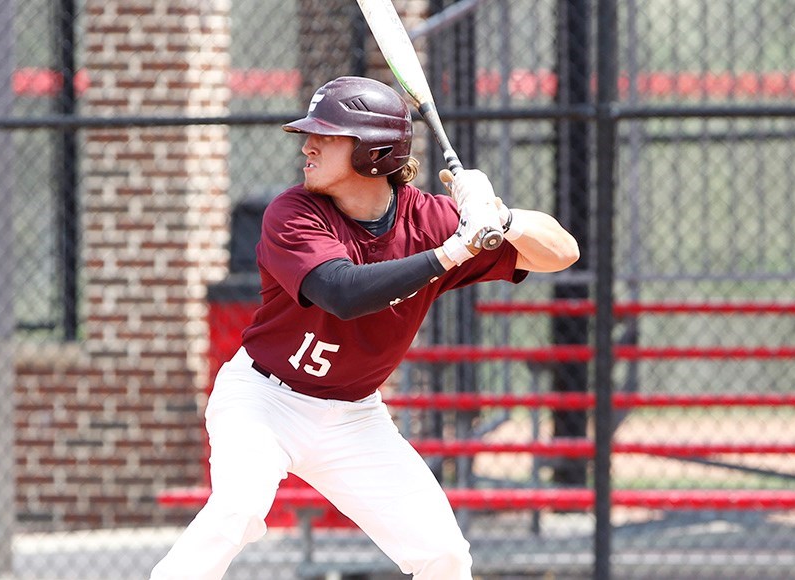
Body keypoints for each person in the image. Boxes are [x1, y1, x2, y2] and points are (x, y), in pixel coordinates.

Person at [150, 75, 579, 580]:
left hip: (354, 417)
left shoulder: (431, 221)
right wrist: (448, 254)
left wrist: (504, 219)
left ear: (373, 153)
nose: (307, 146)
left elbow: (562, 253)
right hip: (264, 401)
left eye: (326, 136)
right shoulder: (293, 212)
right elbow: (343, 292)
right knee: (236, 513)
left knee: (443, 553)